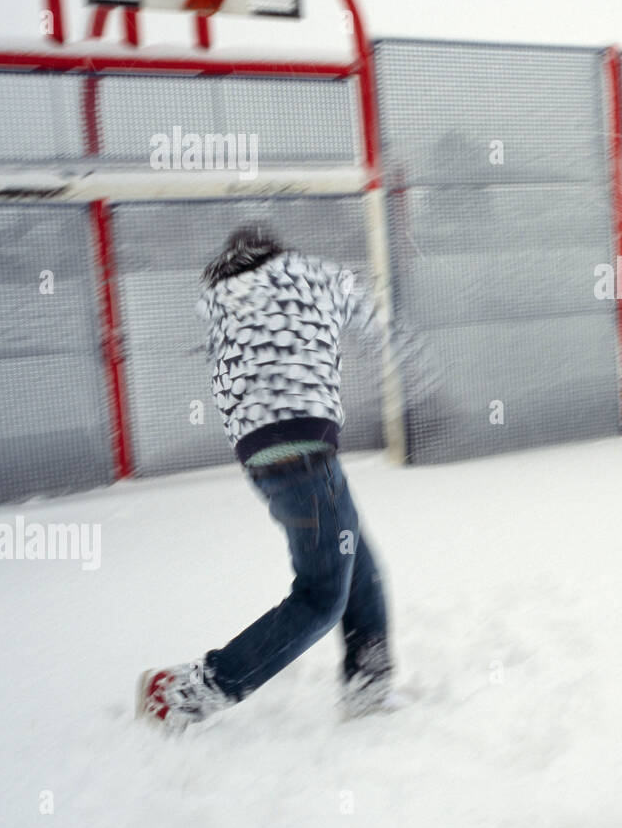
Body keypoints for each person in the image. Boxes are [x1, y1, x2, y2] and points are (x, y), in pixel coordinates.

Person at [137, 224, 435, 730]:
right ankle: (190, 691)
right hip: (308, 453)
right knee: (321, 596)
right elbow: (381, 327)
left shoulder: (220, 305)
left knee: (358, 566)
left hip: (264, 462)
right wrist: (420, 380)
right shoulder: (314, 274)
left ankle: (368, 685)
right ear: (277, 251)